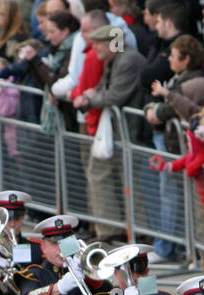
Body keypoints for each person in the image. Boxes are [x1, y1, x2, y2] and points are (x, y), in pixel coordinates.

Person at [72, 24, 145, 241]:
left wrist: (88, 100)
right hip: (120, 131)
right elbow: (107, 90)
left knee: (134, 184)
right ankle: (114, 229)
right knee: (120, 181)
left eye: (99, 43)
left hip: (131, 132)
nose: (95, 48)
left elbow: (115, 96)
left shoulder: (128, 60)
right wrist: (93, 95)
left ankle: (138, 233)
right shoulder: (115, 60)